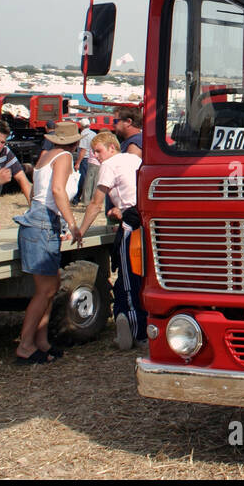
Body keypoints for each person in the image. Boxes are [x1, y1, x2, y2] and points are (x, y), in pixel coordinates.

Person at [13, 121, 84, 365]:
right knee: (44, 291)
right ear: (74, 142)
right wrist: (72, 223)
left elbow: (35, 193)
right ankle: (25, 345)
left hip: (38, 219)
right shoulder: (64, 156)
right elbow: (58, 190)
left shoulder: (46, 156)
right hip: (44, 222)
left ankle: (40, 341)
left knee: (50, 288)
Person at [76, 131, 144, 349]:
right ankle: (126, 316)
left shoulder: (110, 164)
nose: (96, 156)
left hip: (130, 220)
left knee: (127, 272)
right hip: (144, 216)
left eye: (99, 151)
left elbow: (96, 202)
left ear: (112, 148)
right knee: (140, 274)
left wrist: (81, 230)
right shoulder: (135, 158)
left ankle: (136, 329)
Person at [76, 117, 96, 204]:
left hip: (85, 159)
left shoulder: (83, 134)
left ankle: (77, 198)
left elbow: (83, 150)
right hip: (92, 159)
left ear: (81, 126)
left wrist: (78, 163)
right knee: (90, 180)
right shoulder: (93, 134)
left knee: (82, 179)